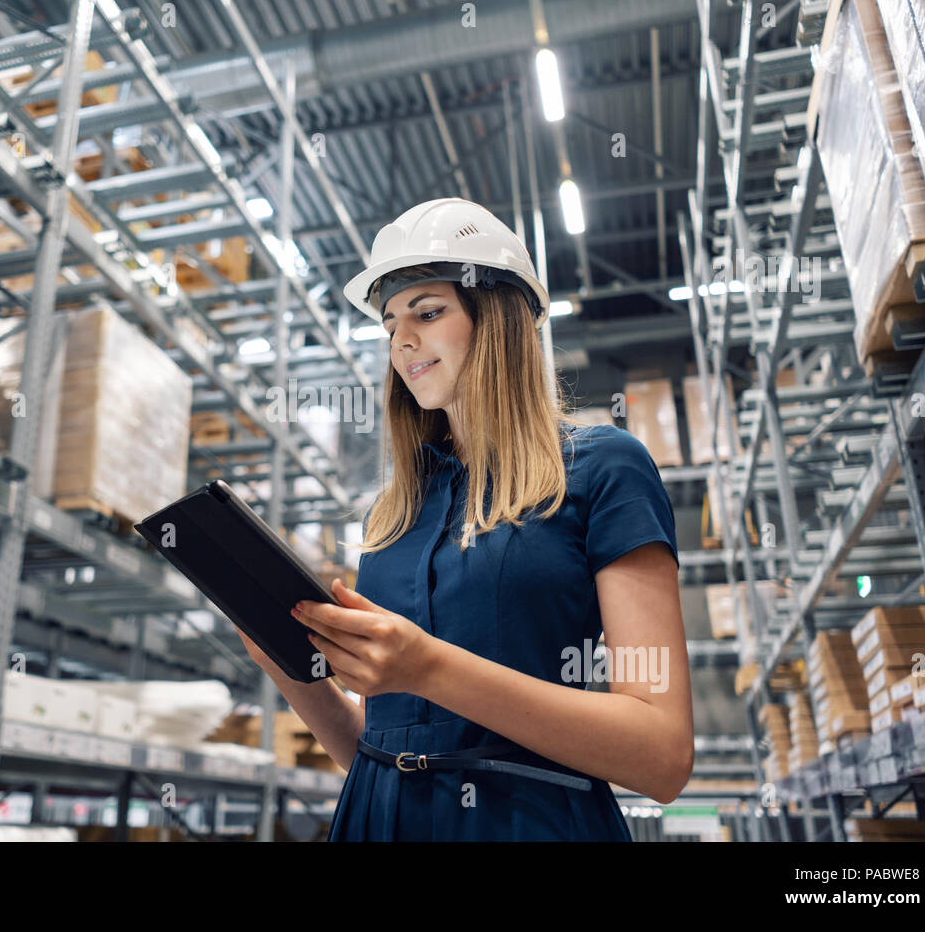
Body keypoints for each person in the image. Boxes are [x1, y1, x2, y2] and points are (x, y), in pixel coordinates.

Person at [234, 198, 693, 841]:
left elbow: (662, 753)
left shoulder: (605, 472)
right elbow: (386, 752)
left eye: (427, 312)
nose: (403, 341)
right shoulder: (394, 518)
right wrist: (288, 665)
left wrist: (427, 667)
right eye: (392, 323)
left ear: (499, 318)